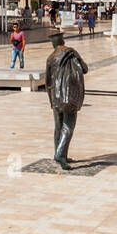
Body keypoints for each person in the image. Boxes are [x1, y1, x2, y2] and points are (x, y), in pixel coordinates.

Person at [45, 30, 89, 170]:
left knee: (58, 126)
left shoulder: (51, 58)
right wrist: (78, 58)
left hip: (55, 96)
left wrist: (51, 99)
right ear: (62, 40)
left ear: (54, 42)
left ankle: (59, 154)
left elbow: (47, 81)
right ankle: (60, 155)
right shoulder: (71, 53)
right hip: (69, 95)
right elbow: (84, 69)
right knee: (68, 126)